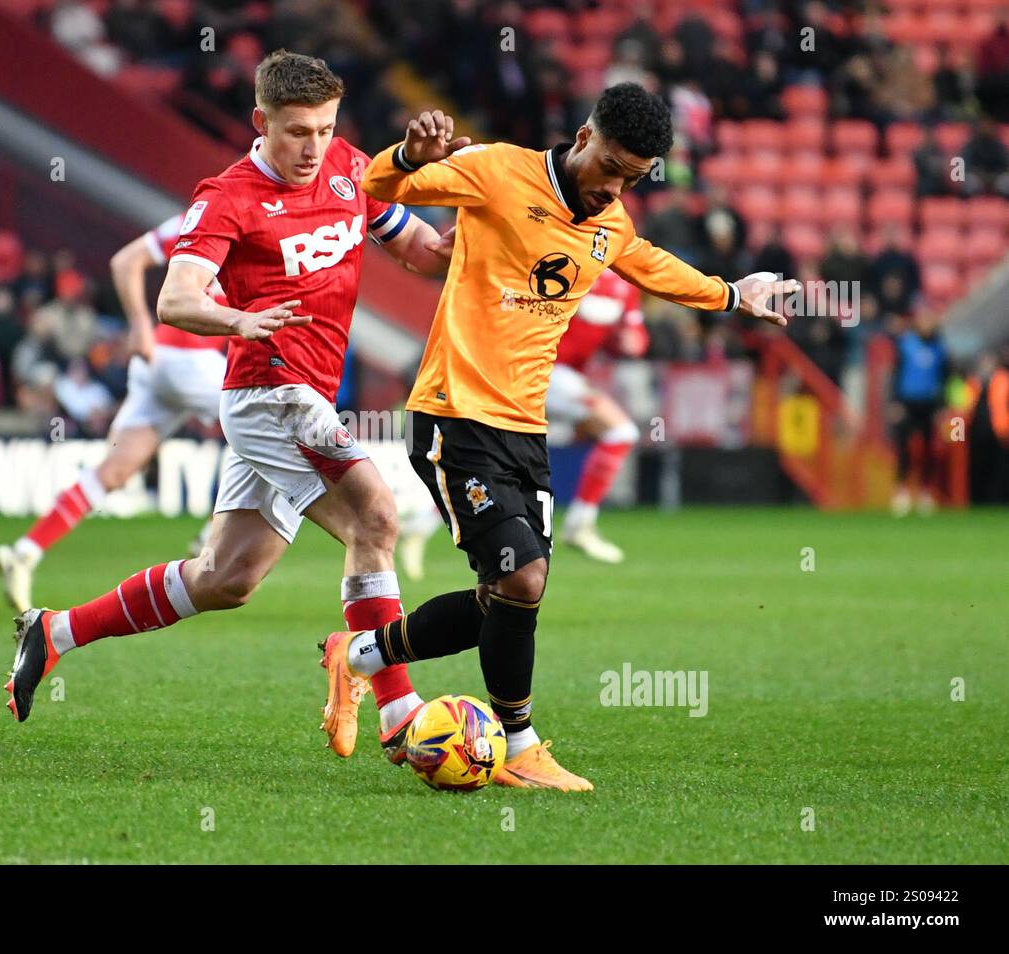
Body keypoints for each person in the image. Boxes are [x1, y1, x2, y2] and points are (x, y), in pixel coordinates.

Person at [4, 50, 453, 765]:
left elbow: (421, 249)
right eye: (297, 131)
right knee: (376, 517)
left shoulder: (349, 166)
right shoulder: (229, 196)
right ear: (260, 121)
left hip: (302, 395)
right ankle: (400, 713)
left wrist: (476, 239)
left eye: (324, 129)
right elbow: (175, 297)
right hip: (270, 393)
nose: (313, 148)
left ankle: (54, 631)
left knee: (226, 579)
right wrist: (235, 320)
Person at [351, 83, 798, 790]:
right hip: (455, 412)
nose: (615, 188)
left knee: (506, 597)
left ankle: (356, 661)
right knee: (522, 578)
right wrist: (410, 153)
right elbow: (376, 184)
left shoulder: (610, 222)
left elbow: (648, 263)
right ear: (584, 137)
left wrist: (733, 294)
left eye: (635, 177)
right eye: (612, 167)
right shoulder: (498, 170)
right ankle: (520, 746)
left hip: (526, 428)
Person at [0, 212, 230, 611]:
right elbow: (125, 262)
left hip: (155, 362)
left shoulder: (196, 217)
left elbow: (126, 261)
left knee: (115, 470)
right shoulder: (244, 218)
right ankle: (213, 533)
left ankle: (25, 551)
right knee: (272, 433)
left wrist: (140, 326)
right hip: (191, 363)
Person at [547, 269, 649, 562]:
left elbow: (636, 330)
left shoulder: (625, 285)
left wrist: (633, 342)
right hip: (545, 368)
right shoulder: (568, 267)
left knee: (620, 433)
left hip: (565, 376)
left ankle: (423, 521)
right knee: (621, 432)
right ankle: (579, 524)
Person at [890, 308, 949, 516]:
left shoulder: (940, 348)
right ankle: (902, 492)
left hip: (929, 405)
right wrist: (895, 402)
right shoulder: (906, 345)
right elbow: (896, 374)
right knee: (904, 448)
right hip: (907, 403)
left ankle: (925, 492)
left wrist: (942, 406)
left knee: (929, 450)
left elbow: (944, 380)